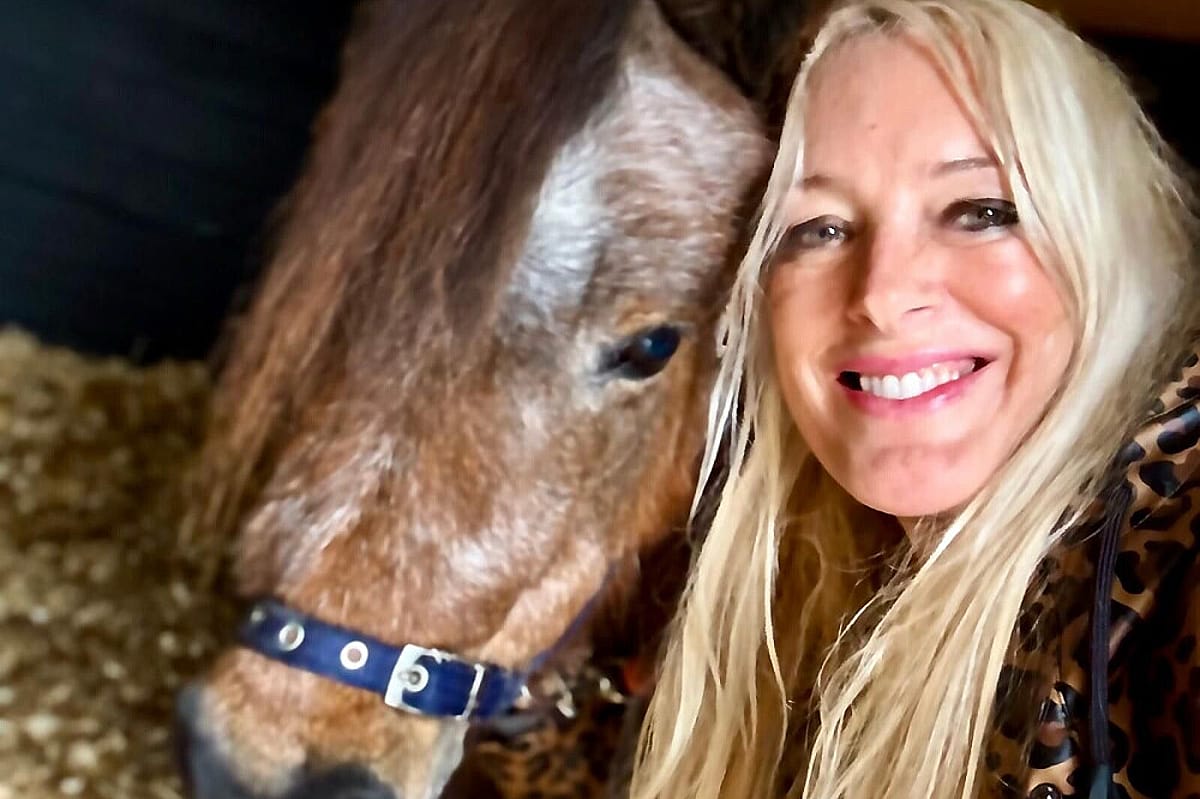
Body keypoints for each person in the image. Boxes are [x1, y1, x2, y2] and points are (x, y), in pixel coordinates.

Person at [628, 1, 1200, 798]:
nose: (885, 295)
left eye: (982, 212)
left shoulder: (1175, 569)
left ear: (1112, 248)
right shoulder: (791, 604)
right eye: (819, 228)